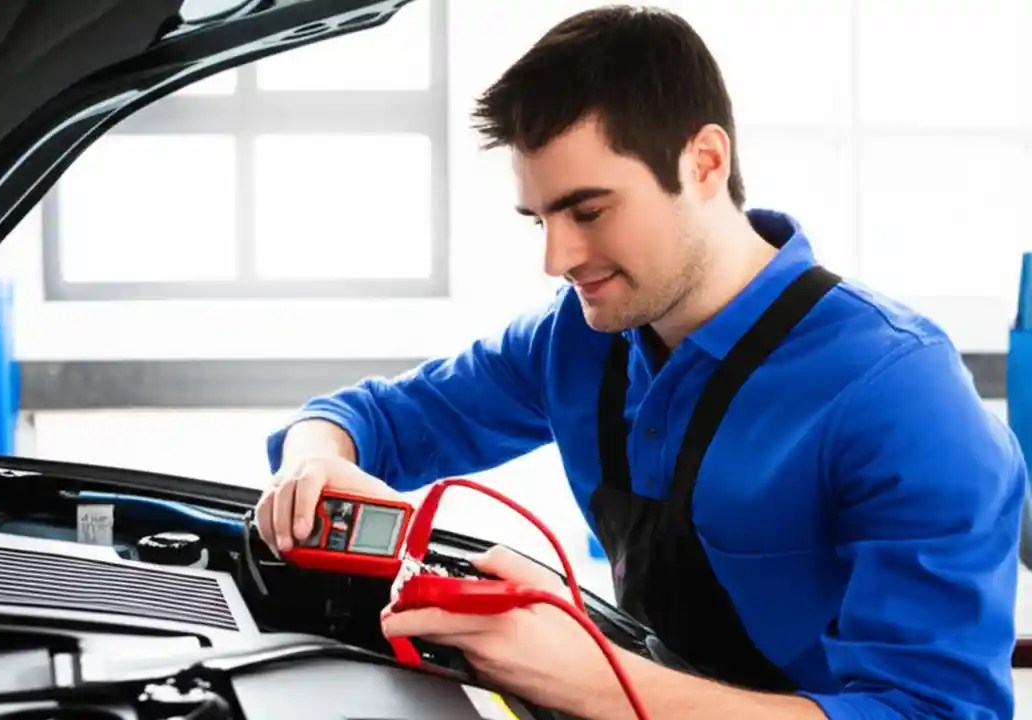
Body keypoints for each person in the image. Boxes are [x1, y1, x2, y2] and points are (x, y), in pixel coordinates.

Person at [253, 5, 1026, 719]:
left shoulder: (899, 395)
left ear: (704, 162)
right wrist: (313, 465)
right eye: (541, 218)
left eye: (589, 211)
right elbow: (371, 418)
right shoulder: (578, 338)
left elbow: (932, 713)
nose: (557, 257)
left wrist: (597, 678)